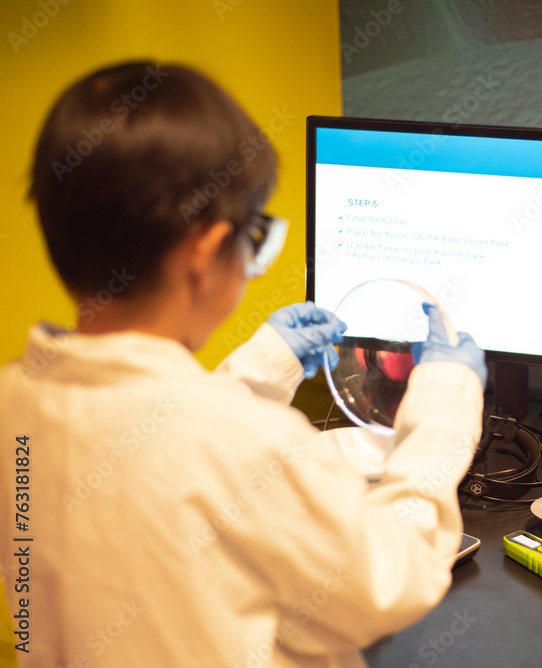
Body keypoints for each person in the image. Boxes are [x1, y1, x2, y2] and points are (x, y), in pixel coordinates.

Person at [0, 61, 487, 667]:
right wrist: (444, 403)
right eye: (255, 236)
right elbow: (391, 579)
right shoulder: (252, 446)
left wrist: (262, 368)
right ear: (204, 253)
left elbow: (149, 444)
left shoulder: (16, 400)